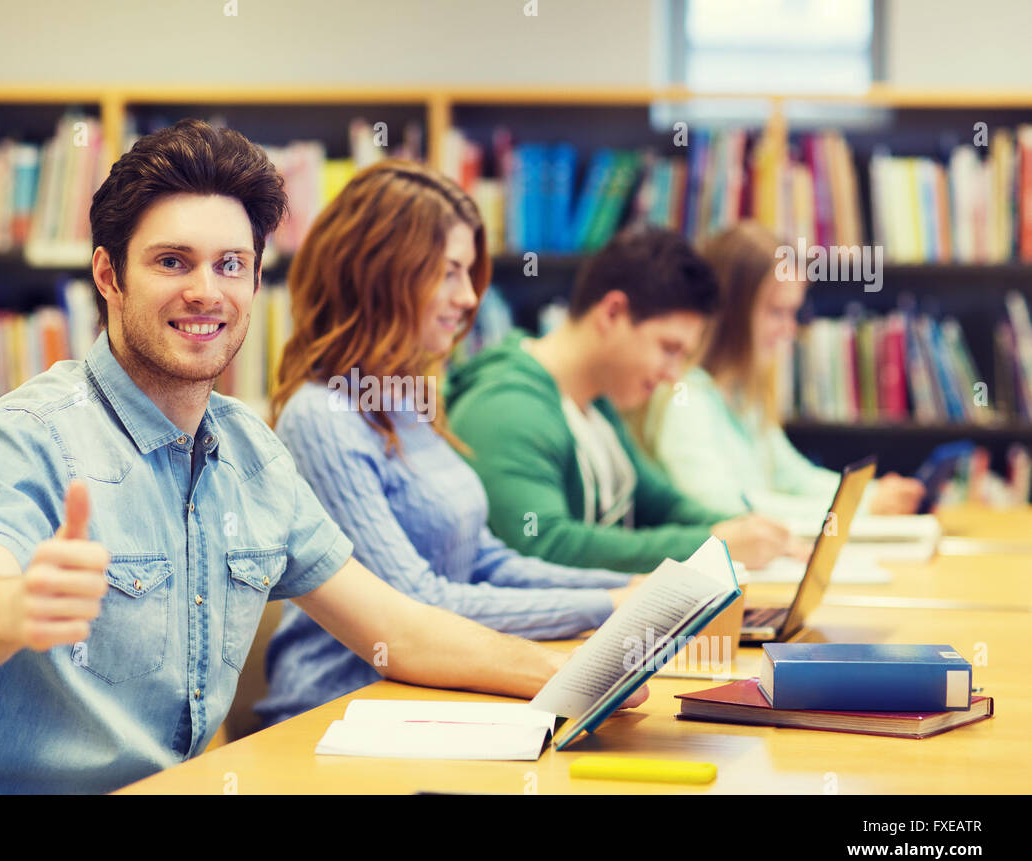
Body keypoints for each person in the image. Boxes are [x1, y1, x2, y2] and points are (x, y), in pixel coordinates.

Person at [0, 122, 645, 795]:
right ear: (108, 276)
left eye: (230, 265)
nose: (206, 291)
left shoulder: (250, 452)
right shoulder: (25, 436)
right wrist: (16, 607)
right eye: (173, 262)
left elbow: (404, 630)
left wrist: (575, 675)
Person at [256, 160, 639, 728]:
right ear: (381, 273)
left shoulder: (409, 402)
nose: (469, 298)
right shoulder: (322, 417)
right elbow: (416, 602)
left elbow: (485, 562)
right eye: (450, 272)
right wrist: (606, 607)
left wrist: (631, 589)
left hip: (433, 694)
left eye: (470, 274)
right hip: (336, 713)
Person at [446, 227, 795, 573]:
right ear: (612, 313)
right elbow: (542, 545)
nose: (673, 375)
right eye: (668, 349)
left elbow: (660, 504)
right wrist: (710, 545)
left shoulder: (594, 402)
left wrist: (748, 530)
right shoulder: (507, 407)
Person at [641, 221, 925, 523]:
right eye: (776, 311)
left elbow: (795, 478)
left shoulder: (741, 396)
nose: (789, 330)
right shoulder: (686, 398)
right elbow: (722, 505)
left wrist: (873, 494)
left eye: (793, 312)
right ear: (731, 312)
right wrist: (858, 508)